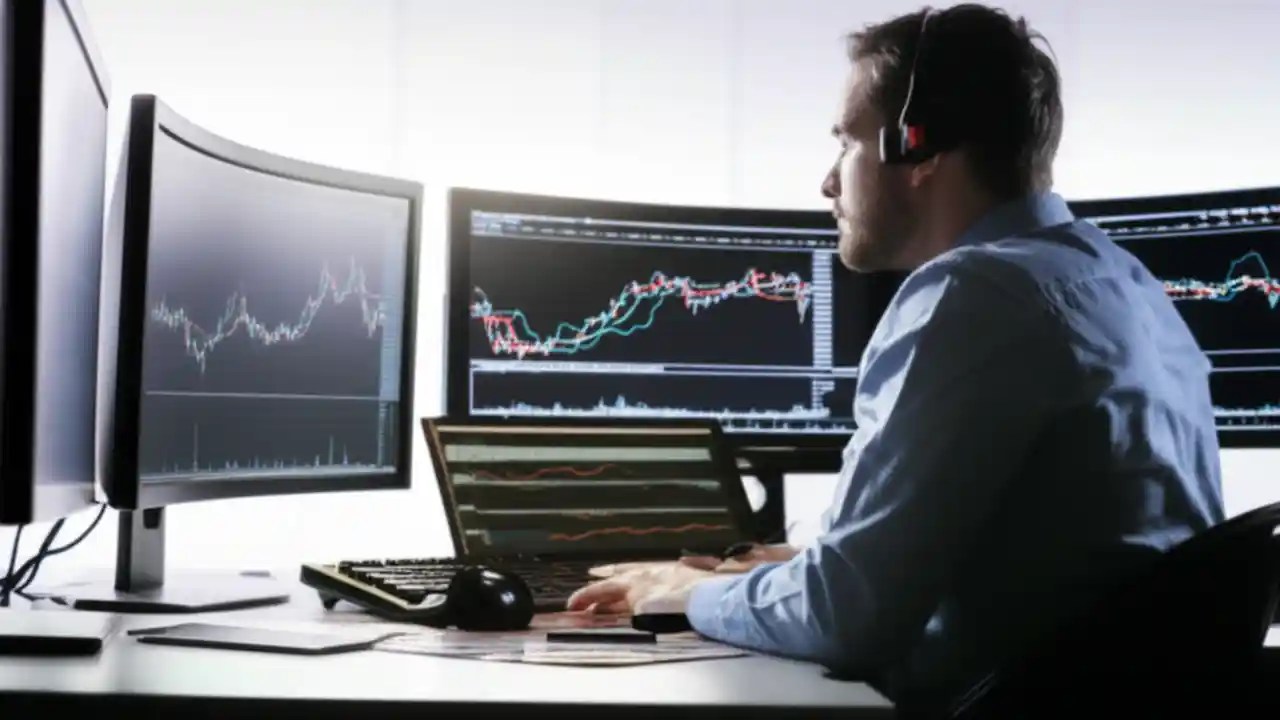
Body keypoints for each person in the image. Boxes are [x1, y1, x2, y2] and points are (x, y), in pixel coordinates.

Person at [566, 1, 1224, 710]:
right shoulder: (1121, 279)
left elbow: (845, 619)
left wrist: (692, 593)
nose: (827, 181)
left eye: (846, 141)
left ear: (916, 146)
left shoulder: (972, 293)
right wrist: (806, 567)